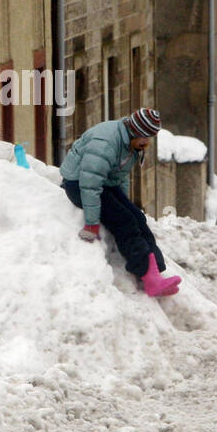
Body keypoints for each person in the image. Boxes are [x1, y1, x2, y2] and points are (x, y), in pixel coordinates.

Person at [60, 108, 182, 297]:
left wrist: (124, 203)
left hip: (104, 182)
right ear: (134, 130)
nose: (147, 142)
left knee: (137, 217)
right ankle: (147, 276)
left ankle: (156, 271)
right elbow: (89, 183)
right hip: (78, 184)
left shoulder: (130, 144)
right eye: (145, 137)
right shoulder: (106, 143)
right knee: (124, 221)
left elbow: (120, 176)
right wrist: (92, 223)